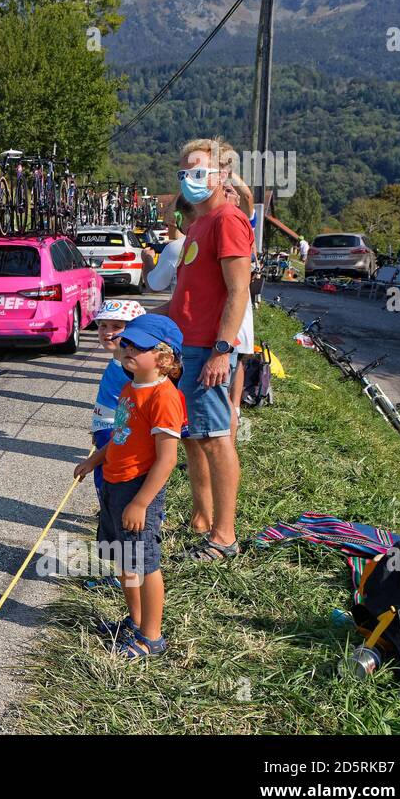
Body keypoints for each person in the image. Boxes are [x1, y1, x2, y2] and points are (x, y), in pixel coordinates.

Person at [152, 137, 253, 561]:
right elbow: (186, 297)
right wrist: (140, 320)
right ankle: (202, 518)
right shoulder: (196, 226)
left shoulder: (228, 220)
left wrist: (220, 351)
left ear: (221, 175)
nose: (190, 179)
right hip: (184, 348)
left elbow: (238, 291)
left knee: (214, 438)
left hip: (205, 350)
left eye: (199, 171)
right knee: (193, 438)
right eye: (185, 172)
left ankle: (224, 536)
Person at [73, 314, 186, 659]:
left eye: (139, 346)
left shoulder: (164, 398)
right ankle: (136, 622)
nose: (128, 349)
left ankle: (151, 637)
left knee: (145, 563)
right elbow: (121, 437)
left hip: (139, 490)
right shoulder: (129, 387)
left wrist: (140, 503)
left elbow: (166, 459)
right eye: (127, 343)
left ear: (165, 358)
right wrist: (97, 459)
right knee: (125, 560)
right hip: (114, 485)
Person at [89, 299, 146, 504]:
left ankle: (117, 512)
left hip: (120, 430)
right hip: (105, 426)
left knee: (115, 476)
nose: (107, 332)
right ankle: (108, 511)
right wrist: (97, 427)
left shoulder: (131, 366)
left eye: (116, 327)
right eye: (103, 325)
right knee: (103, 474)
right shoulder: (116, 357)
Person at [142, 196, 193, 293]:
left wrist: (148, 261)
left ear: (179, 217)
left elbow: (153, 287)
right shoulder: (217, 238)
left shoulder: (176, 249)